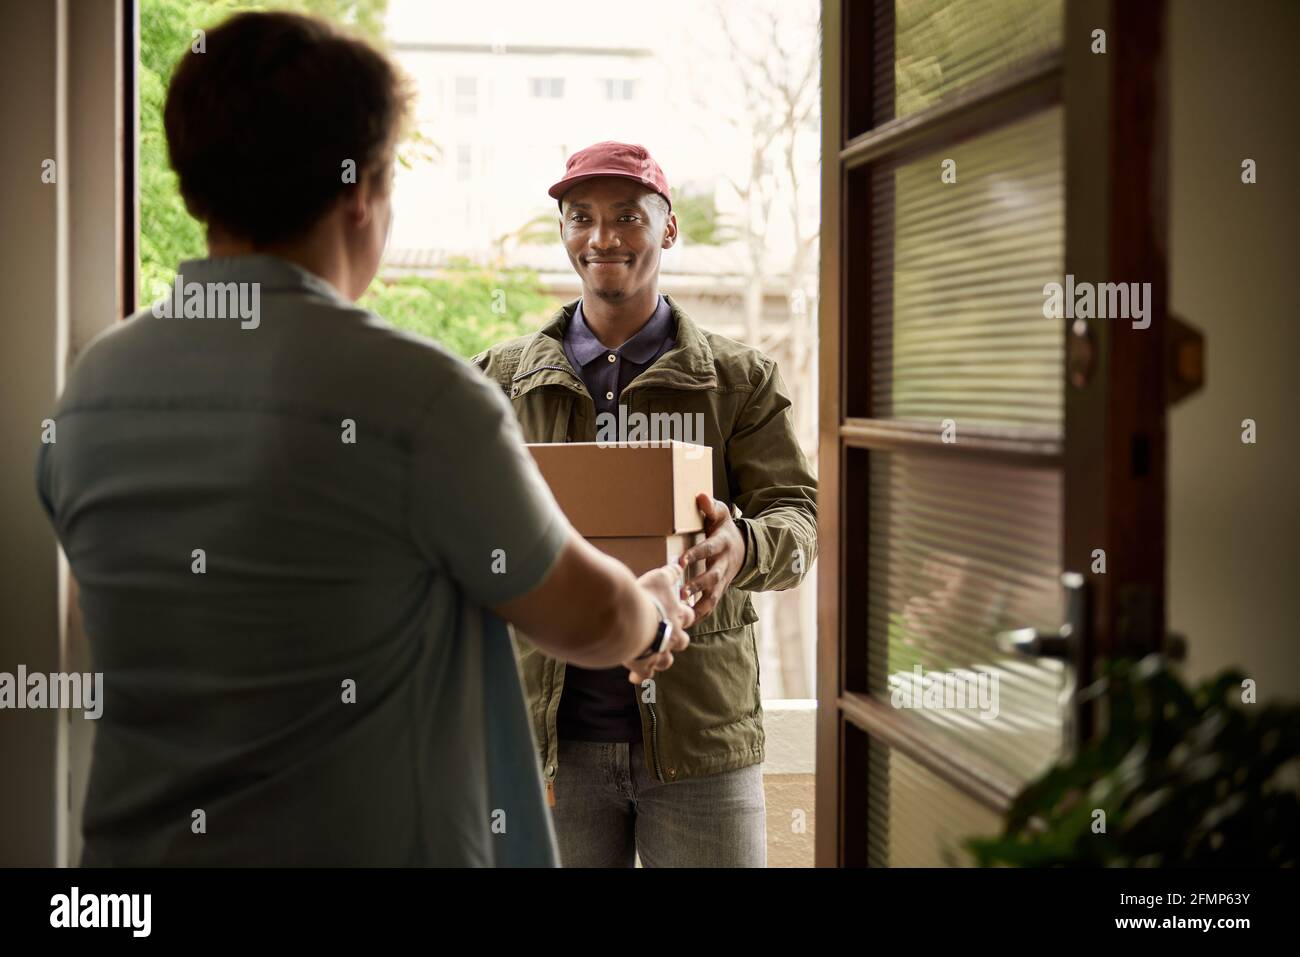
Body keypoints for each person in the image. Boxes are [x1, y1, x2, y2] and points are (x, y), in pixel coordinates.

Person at [35, 13, 691, 867]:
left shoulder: (91, 390)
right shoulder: (416, 397)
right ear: (362, 191)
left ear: (195, 189)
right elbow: (586, 611)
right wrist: (655, 617)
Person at [474, 142, 818, 867]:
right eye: (581, 218)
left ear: (667, 229)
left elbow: (799, 518)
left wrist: (743, 546)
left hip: (703, 743)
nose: (603, 237)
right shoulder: (502, 380)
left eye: (628, 216)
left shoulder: (738, 379)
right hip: (549, 745)